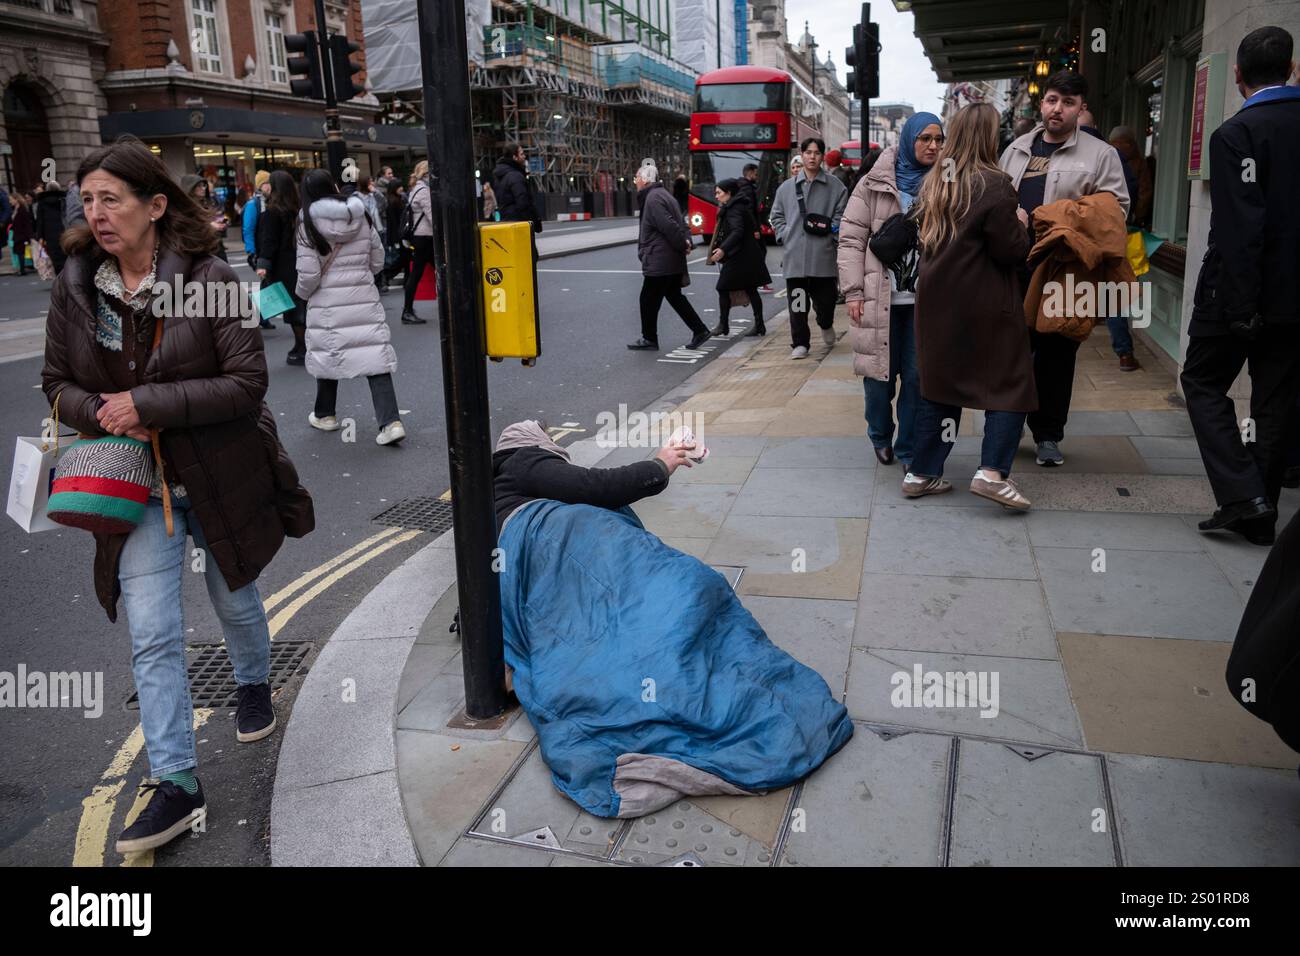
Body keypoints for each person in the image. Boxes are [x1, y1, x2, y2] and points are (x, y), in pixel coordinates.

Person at [41, 136, 312, 855]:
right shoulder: (76, 284)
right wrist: (99, 411)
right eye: (88, 200)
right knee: (153, 632)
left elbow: (245, 382)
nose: (97, 214)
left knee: (235, 596)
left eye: (113, 200)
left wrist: (145, 401)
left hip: (217, 473)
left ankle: (253, 680)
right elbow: (56, 383)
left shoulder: (211, 278)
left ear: (155, 206)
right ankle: (177, 783)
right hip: (135, 488)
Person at [492, 421, 852, 818]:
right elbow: (595, 486)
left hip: (565, 564)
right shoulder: (523, 460)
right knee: (683, 590)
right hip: (566, 545)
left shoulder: (492, 501)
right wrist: (662, 464)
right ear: (532, 441)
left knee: (672, 600)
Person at [1182, 25, 1300, 546]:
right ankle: (1261, 513)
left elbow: (1241, 226)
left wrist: (1239, 306)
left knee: (1203, 382)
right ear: (1292, 69)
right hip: (1294, 298)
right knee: (1275, 402)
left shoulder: (1236, 134)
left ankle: (1243, 495)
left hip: (1239, 290)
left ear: (1237, 75)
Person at [905, 102, 1036, 510]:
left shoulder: (936, 183)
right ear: (988, 137)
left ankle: (921, 472)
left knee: (941, 388)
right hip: (985, 304)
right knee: (1011, 385)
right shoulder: (994, 183)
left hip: (936, 303)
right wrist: (1022, 224)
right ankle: (993, 474)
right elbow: (1010, 250)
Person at [1000, 71, 1129, 467]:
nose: (1058, 109)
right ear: (1043, 102)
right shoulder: (1017, 148)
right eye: (1053, 100)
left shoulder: (1100, 154)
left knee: (1058, 354)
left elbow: (1117, 211)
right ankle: (1005, 429)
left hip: (1065, 269)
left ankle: (1048, 435)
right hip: (1015, 267)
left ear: (1080, 108)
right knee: (1013, 352)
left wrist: (1057, 218)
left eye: (1068, 103)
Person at [839, 112, 943, 469]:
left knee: (916, 377)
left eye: (938, 139)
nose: (933, 146)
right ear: (909, 140)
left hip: (924, 301)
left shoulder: (948, 182)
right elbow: (851, 239)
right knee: (878, 376)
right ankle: (880, 435)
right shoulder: (874, 182)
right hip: (878, 296)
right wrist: (853, 292)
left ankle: (908, 444)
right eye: (925, 138)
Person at [296, 168, 407, 446]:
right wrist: (362, 275)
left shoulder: (307, 224)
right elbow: (378, 259)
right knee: (374, 356)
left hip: (326, 301)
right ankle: (390, 422)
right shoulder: (361, 215)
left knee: (327, 352)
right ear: (333, 185)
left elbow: (308, 275)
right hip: (362, 295)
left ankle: (325, 414)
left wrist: (302, 294)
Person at [1078, 106, 1144, 373]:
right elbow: (1131, 194)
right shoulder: (1111, 154)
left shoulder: (1062, 151)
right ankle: (1124, 353)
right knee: (1111, 292)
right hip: (1107, 234)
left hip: (1072, 235)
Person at [770, 137, 848, 360]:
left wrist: (832, 236)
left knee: (825, 305)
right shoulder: (786, 188)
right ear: (802, 155)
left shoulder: (836, 187)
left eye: (816, 152)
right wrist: (785, 235)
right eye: (808, 152)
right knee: (798, 305)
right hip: (795, 258)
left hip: (823, 258)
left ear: (822, 156)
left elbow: (842, 217)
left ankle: (825, 325)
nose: (812, 156)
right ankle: (800, 343)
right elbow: (776, 216)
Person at [627, 160, 710, 352]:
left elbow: (670, 226)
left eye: (637, 178)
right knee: (673, 296)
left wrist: (683, 244)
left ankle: (650, 339)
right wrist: (686, 241)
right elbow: (682, 222)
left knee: (647, 298)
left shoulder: (653, 198)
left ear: (646, 180)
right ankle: (700, 330)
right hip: (668, 258)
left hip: (660, 259)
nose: (635, 182)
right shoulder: (664, 195)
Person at [255, 170, 307, 365]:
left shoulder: (272, 211)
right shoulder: (300, 208)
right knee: (302, 303)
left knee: (290, 307)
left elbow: (269, 241)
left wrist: (263, 263)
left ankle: (301, 346)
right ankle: (304, 344)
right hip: (301, 260)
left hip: (282, 264)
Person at [707, 178, 770, 338]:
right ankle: (759, 325)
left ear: (729, 193)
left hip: (740, 255)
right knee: (751, 289)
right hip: (747, 254)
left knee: (722, 287)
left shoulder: (734, 208)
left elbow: (737, 231)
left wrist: (722, 249)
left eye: (719, 193)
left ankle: (723, 325)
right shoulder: (736, 205)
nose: (716, 196)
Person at [399, 160, 433, 325]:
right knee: (418, 273)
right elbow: (432, 217)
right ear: (426, 174)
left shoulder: (416, 189)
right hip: (425, 238)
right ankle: (407, 311)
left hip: (421, 238)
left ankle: (408, 310)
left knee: (418, 273)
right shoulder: (424, 191)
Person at [493, 143, 541, 232]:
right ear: (514, 157)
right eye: (521, 154)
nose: (524, 156)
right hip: (519, 224)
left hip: (506, 222)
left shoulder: (500, 175)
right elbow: (523, 202)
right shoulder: (515, 176)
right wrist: (533, 223)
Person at [356, 175, 388, 292]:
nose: (373, 184)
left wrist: (377, 193)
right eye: (370, 182)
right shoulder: (356, 197)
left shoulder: (373, 195)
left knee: (380, 254)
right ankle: (373, 281)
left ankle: (381, 281)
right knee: (368, 256)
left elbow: (384, 205)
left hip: (379, 228)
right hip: (365, 230)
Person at [32, 180, 69, 275]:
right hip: (63, 230)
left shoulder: (42, 202)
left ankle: (59, 278)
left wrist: (40, 236)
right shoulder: (64, 199)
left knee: (55, 256)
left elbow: (40, 221)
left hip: (49, 233)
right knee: (65, 255)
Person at [242, 169, 270, 270]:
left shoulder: (273, 201)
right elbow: (248, 229)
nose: (269, 186)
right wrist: (251, 252)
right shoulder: (253, 204)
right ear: (259, 186)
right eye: (265, 183)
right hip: (261, 251)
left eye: (270, 183)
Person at [9, 191, 35, 275]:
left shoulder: (22, 209)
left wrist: (29, 235)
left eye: (11, 200)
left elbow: (26, 223)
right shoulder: (15, 209)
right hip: (16, 233)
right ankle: (22, 269)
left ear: (16, 199)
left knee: (21, 252)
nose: (10, 201)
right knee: (18, 252)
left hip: (22, 234)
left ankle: (22, 270)